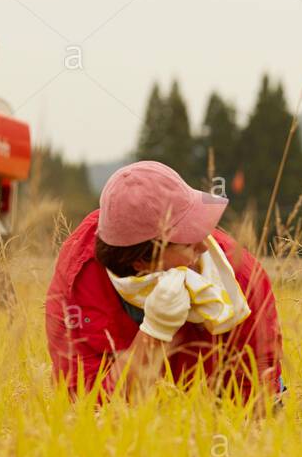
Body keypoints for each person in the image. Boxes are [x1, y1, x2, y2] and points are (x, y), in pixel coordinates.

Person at [44, 160, 283, 403]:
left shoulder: (241, 280)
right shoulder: (76, 281)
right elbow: (88, 409)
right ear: (140, 261)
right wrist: (154, 332)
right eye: (187, 242)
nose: (204, 244)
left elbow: (257, 406)